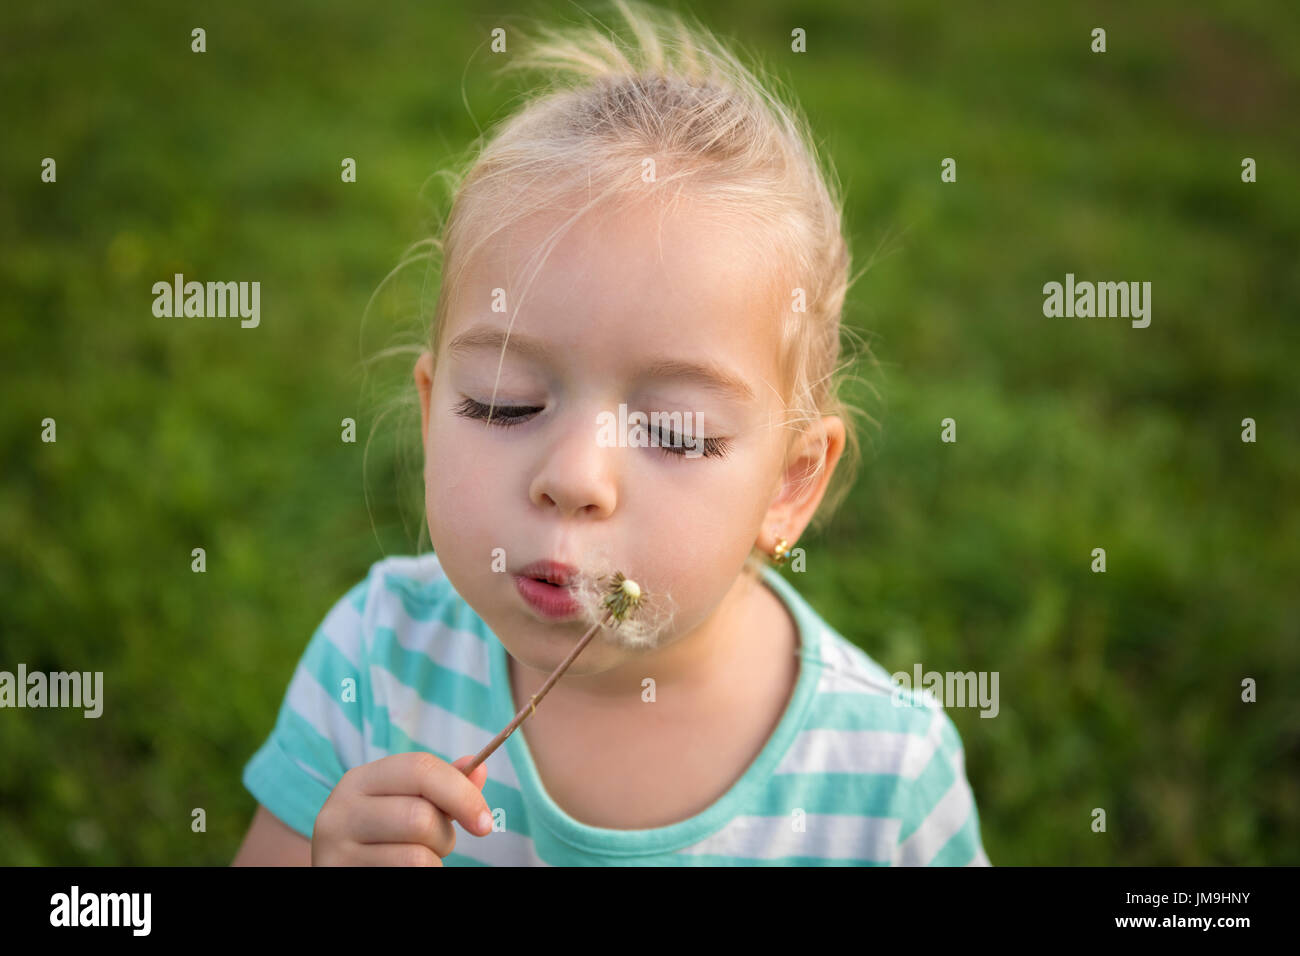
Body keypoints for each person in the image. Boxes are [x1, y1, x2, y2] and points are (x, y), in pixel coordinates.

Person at [233, 0, 989, 867]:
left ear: (789, 485)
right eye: (504, 403)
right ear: (434, 407)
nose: (575, 477)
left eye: (674, 431)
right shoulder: (374, 662)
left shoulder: (883, 779)